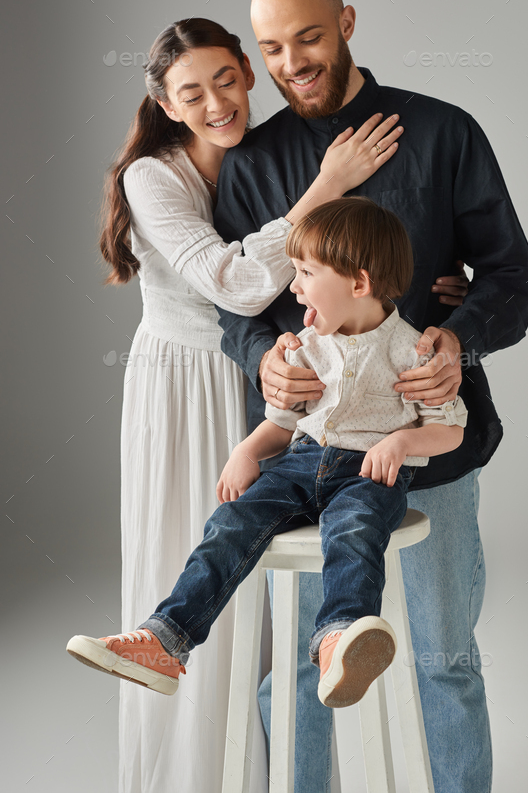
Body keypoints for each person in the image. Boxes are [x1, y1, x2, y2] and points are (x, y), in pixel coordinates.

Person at [212, 0, 528, 793]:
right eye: (273, 47)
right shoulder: (251, 165)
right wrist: (266, 366)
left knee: (445, 661)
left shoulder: (443, 131)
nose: (292, 63)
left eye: (310, 37)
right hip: (310, 457)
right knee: (297, 669)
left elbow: (511, 274)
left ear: (349, 22)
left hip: (429, 447)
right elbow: (238, 307)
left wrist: (454, 342)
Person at [94, 16, 406, 793]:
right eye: (191, 93)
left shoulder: (262, 160)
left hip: (270, 378)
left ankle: (264, 769)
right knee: (192, 545)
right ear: (166, 104)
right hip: (181, 383)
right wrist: (326, 188)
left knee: (268, 585)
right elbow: (233, 281)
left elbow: (341, 275)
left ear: (247, 71)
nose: (216, 104)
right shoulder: (152, 176)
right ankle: (181, 759)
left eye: (226, 80)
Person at [67, 196, 468, 716]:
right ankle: (165, 640)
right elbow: (281, 424)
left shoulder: (412, 350)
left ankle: (339, 641)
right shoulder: (304, 345)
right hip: (301, 463)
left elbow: (448, 429)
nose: (294, 285)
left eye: (304, 272)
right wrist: (247, 451)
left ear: (359, 283)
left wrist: (402, 443)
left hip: (367, 474)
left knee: (354, 530)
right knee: (232, 521)